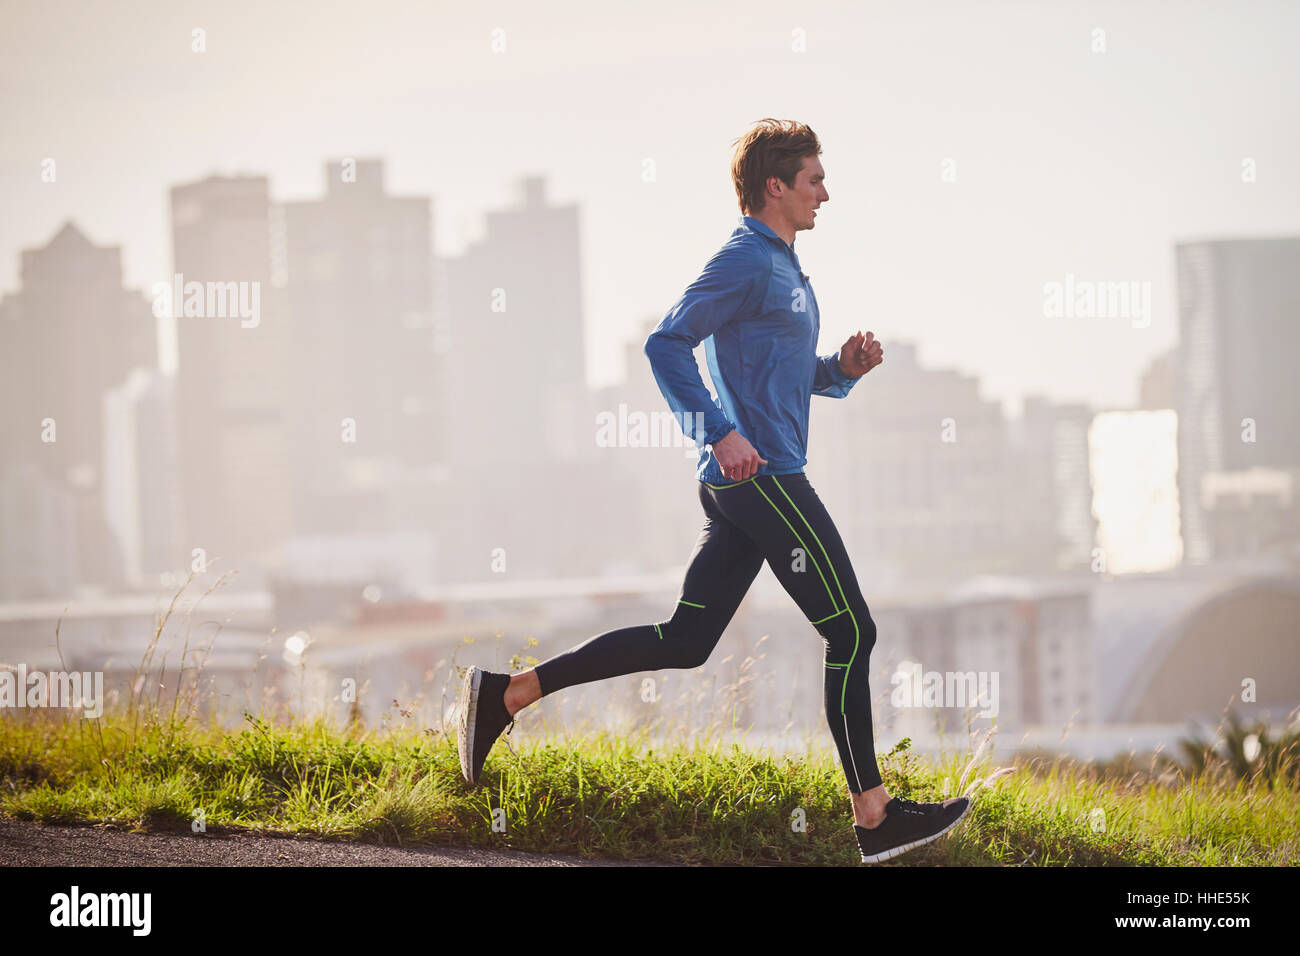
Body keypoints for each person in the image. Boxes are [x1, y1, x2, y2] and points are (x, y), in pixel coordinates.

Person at [457, 118, 970, 863]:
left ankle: (505, 695)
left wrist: (841, 370)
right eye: (815, 180)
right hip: (763, 480)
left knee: (686, 641)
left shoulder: (785, 267)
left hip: (749, 482)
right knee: (852, 632)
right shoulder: (746, 260)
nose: (826, 193)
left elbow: (780, 374)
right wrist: (719, 433)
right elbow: (666, 342)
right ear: (776, 185)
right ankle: (874, 815)